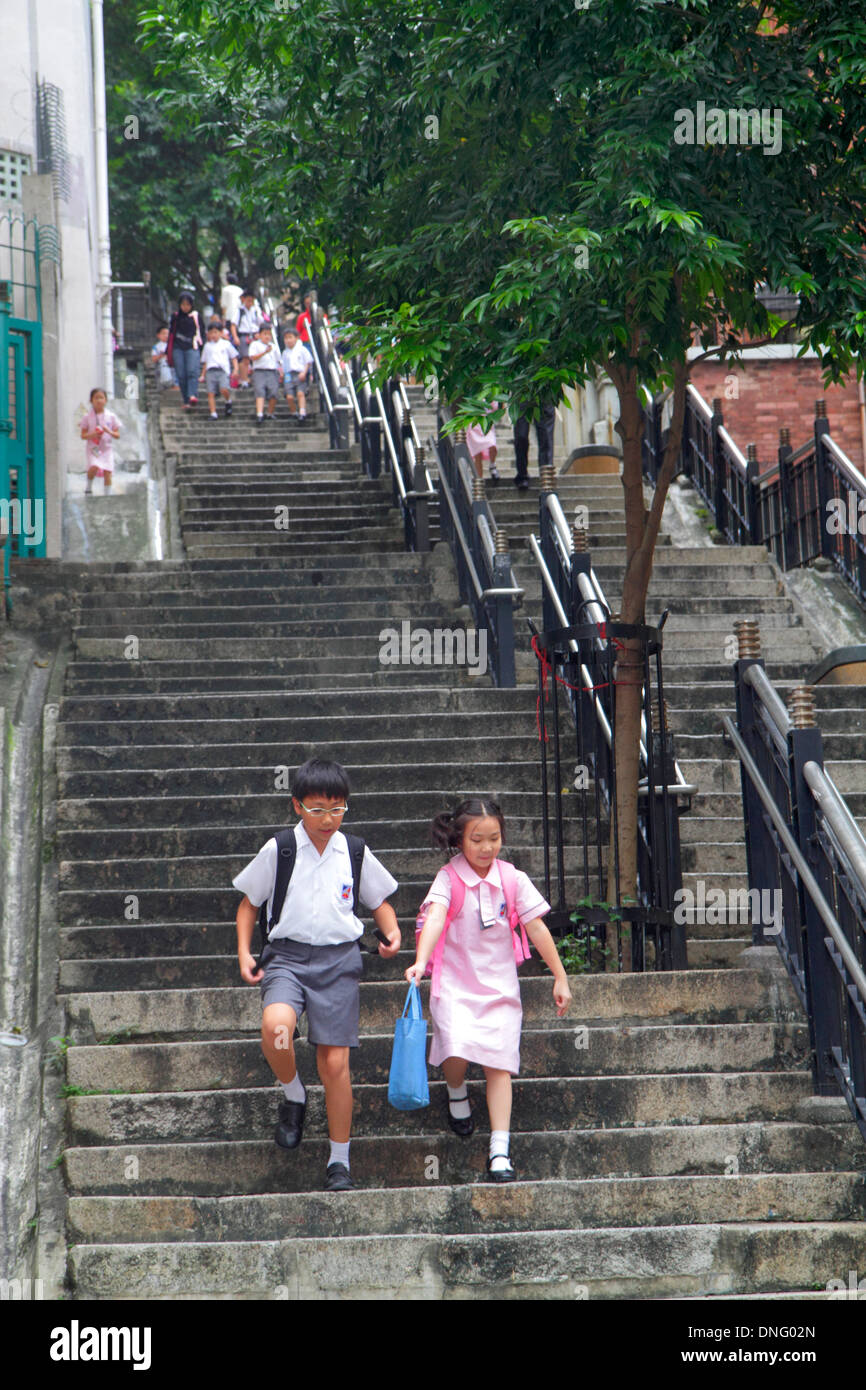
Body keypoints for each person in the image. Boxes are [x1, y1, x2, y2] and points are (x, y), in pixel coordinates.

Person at [233, 758, 401, 1192]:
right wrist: (243, 952)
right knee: (277, 1030)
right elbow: (249, 903)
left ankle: (339, 1160)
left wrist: (392, 930)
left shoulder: (355, 850)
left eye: (337, 809)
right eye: (318, 809)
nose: (328, 819)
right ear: (297, 806)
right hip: (286, 958)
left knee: (335, 1063)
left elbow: (378, 899)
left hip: (339, 961)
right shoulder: (281, 848)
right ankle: (294, 1093)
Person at [406, 797, 571, 1182]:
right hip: (455, 985)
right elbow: (434, 918)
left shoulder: (512, 879)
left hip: (500, 989)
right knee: (456, 1048)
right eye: (477, 839)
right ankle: (456, 1089)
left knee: (500, 1066)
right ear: (460, 840)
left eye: (494, 838)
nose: (486, 847)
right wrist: (420, 961)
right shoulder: (448, 878)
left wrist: (560, 976)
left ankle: (500, 1149)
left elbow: (536, 927)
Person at [79, 388, 121, 495]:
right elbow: (83, 435)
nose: (99, 401)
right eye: (96, 398)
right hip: (94, 447)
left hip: (106, 447)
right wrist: (93, 434)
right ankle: (88, 487)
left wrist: (109, 431)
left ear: (105, 400)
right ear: (91, 400)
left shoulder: (111, 416)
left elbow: (117, 435)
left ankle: (107, 494)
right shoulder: (87, 417)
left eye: (101, 398)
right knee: (94, 466)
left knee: (108, 470)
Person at [167, 292, 206, 408]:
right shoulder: (175, 316)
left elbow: (202, 332)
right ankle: (186, 400)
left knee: (192, 372)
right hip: (178, 348)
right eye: (183, 304)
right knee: (181, 375)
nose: (185, 307)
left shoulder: (196, 316)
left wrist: (201, 347)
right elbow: (171, 333)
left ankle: (192, 395)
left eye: (188, 305)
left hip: (192, 346)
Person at [512, 400, 557, 490]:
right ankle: (522, 474)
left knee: (546, 437)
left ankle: (546, 480)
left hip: (545, 392)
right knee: (521, 436)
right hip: (521, 392)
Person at [199, 320, 238, 418]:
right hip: (210, 370)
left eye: (216, 332)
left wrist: (235, 369)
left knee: (224, 389)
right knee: (210, 392)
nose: (213, 335)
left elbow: (233, 357)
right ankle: (213, 413)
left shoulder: (226, 344)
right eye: (211, 332)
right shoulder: (207, 346)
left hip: (222, 370)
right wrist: (203, 375)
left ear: (221, 333)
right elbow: (205, 361)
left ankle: (228, 400)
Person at [248, 322, 282, 424]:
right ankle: (259, 413)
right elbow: (252, 357)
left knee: (274, 392)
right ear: (259, 335)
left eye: (269, 334)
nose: (267, 336)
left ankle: (270, 413)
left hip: (272, 371)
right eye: (265, 334)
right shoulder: (255, 344)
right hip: (259, 371)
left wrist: (281, 371)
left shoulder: (274, 347)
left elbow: (279, 360)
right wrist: (264, 352)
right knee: (260, 391)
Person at [231, 289, 264, 387]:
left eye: (251, 300)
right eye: (248, 300)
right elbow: (233, 325)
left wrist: (259, 334)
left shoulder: (256, 311)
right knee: (245, 358)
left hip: (254, 335)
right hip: (244, 335)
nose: (250, 303)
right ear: (244, 300)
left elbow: (261, 323)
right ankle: (244, 379)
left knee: (256, 357)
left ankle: (255, 380)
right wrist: (235, 337)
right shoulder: (239, 311)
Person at [281, 327, 311, 421]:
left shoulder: (302, 349)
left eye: (290, 337)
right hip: (288, 375)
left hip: (299, 373)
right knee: (289, 396)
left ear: (296, 338)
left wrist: (304, 372)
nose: (288, 340)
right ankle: (294, 412)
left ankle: (302, 411)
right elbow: (284, 364)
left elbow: (308, 362)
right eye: (286, 338)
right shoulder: (285, 352)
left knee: (300, 393)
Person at [466, 403, 500, 484]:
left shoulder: (488, 395)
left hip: (486, 426)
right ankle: (479, 480)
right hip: (473, 427)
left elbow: (496, 408)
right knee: (477, 456)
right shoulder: (469, 394)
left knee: (492, 445)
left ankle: (492, 465)